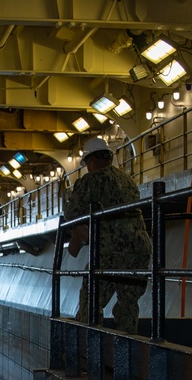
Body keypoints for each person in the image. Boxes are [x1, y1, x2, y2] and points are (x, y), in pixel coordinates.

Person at [64, 136, 152, 334]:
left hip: (111, 249)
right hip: (139, 248)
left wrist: (77, 232)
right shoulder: (128, 180)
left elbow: (71, 213)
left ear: (91, 161)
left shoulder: (91, 180)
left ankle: (88, 343)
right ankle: (128, 344)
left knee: (91, 299)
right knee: (128, 303)